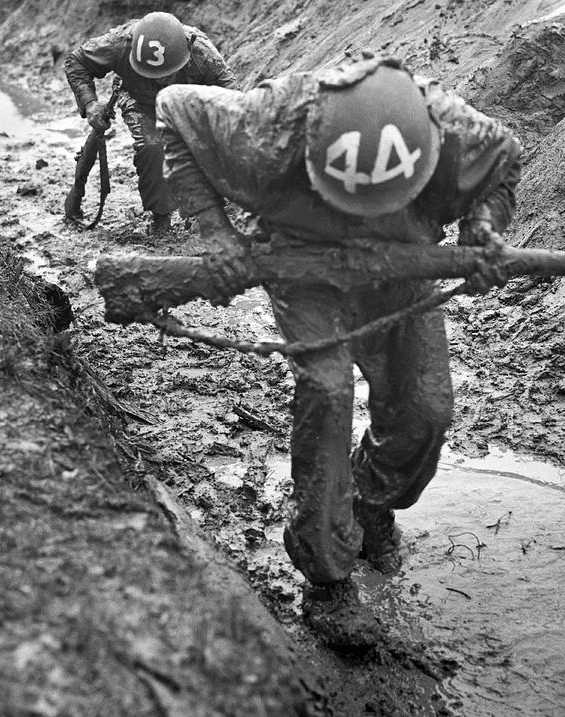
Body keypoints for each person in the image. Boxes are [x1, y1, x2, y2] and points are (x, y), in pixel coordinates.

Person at [155, 55, 521, 649]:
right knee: (326, 394)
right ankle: (327, 577)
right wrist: (217, 235)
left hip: (402, 266)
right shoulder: (269, 124)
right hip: (305, 268)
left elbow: (503, 164)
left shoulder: (453, 131)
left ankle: (370, 499)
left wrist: (482, 231)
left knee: (426, 410)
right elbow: (173, 109)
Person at [64, 11, 238, 234]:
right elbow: (77, 61)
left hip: (189, 103)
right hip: (140, 100)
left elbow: (235, 102)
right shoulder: (120, 43)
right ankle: (161, 218)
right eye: (152, 74)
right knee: (152, 147)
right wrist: (90, 104)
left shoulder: (202, 54)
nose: (159, 80)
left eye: (166, 74)